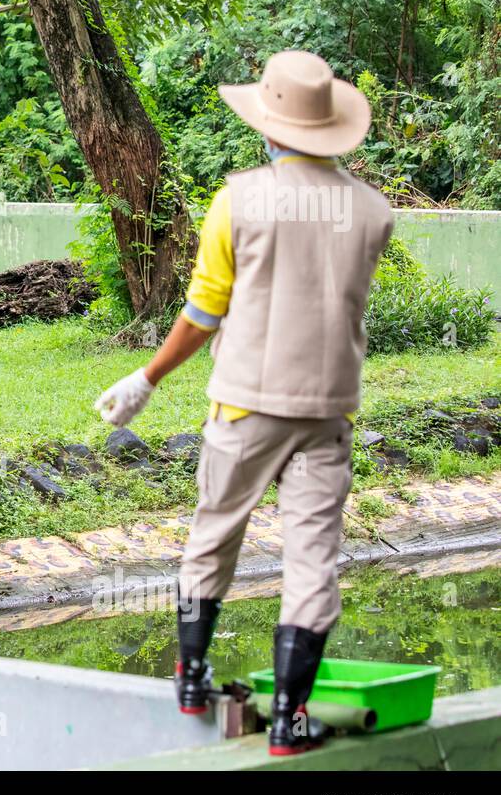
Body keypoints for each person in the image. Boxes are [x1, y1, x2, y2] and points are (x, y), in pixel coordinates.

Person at [94, 50, 393, 755]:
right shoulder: (374, 212)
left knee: (216, 531)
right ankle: (290, 719)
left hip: (246, 404)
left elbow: (203, 312)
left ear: (269, 125)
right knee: (313, 557)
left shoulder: (240, 200)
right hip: (327, 411)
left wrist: (148, 378)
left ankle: (192, 676)